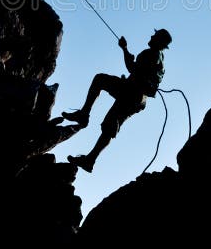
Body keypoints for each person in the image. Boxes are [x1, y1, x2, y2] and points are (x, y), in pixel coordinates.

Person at [64, 28, 173, 173]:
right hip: (136, 97)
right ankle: (90, 159)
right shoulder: (159, 57)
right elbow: (138, 73)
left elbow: (132, 69)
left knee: (100, 82)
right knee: (110, 123)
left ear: (159, 40)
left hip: (131, 93)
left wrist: (124, 49)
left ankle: (84, 117)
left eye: (155, 35)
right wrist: (128, 55)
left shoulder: (150, 54)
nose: (152, 36)